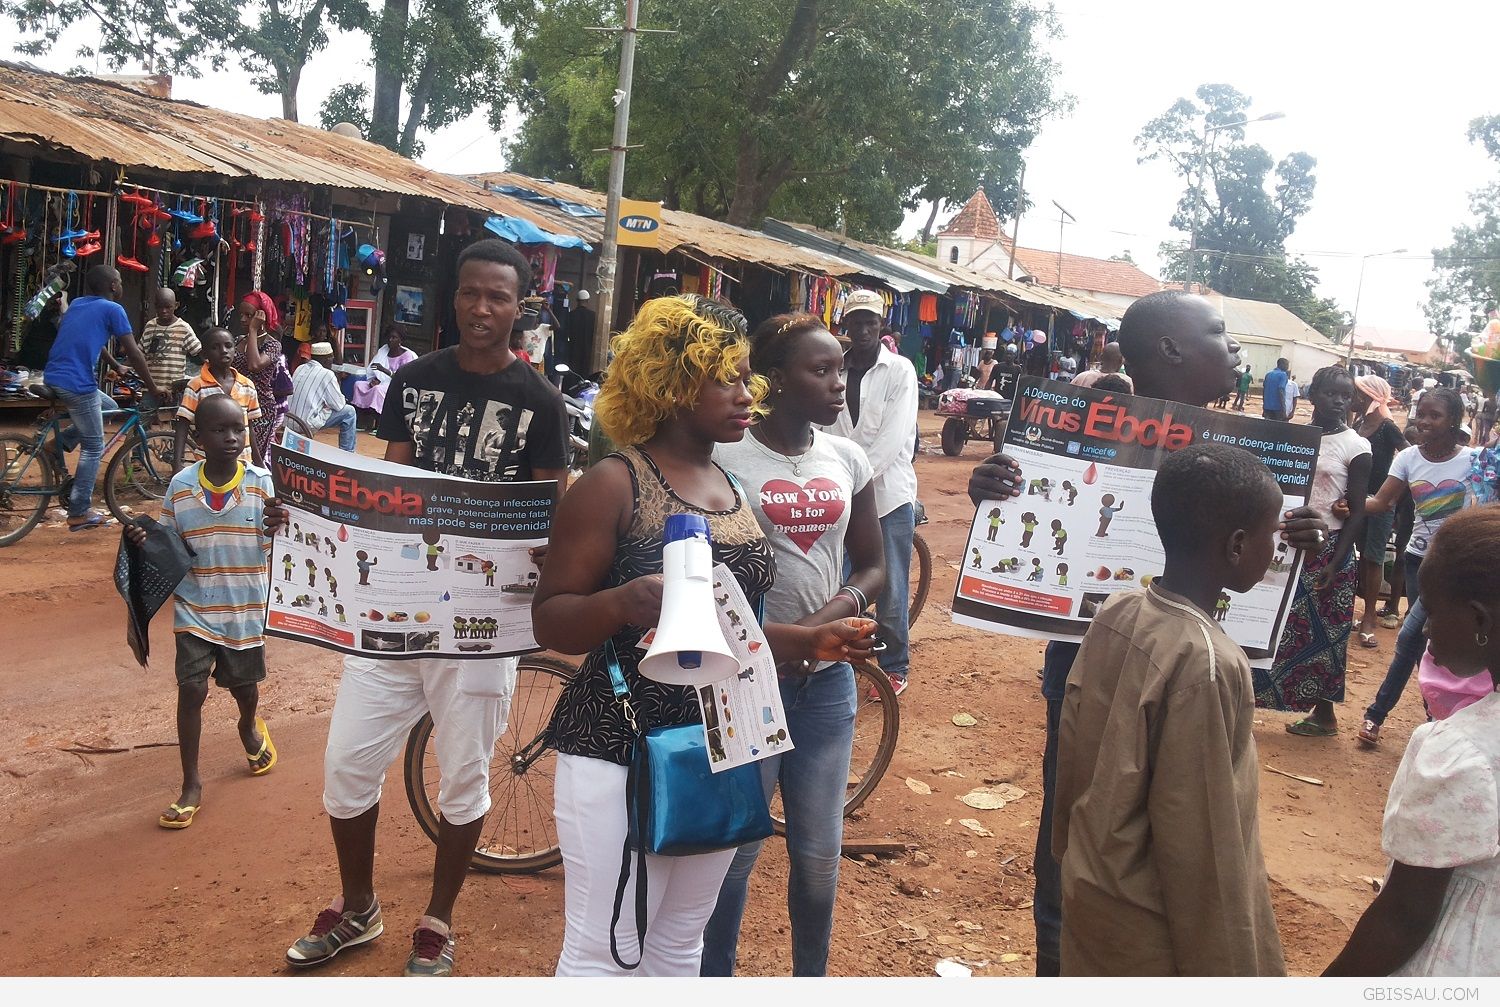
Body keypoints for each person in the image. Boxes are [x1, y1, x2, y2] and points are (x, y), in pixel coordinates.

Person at [966, 290, 1328, 976]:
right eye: (1220, 334)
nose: (1234, 350)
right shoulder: (1081, 422)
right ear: (1170, 350)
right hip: (1091, 662)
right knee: (1079, 819)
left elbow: (1256, 557)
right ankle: (1063, 962)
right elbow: (1024, 521)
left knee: (1181, 816)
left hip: (1191, 670)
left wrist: (1302, 535)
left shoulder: (1259, 451)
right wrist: (996, 491)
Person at [534, 295, 876, 977]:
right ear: (671, 382)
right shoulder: (613, 483)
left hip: (722, 742)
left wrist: (812, 641)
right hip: (619, 746)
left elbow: (729, 627)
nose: (748, 393)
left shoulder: (728, 483)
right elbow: (550, 617)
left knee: (678, 946)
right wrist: (623, 600)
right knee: (605, 952)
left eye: (748, 376)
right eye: (728, 377)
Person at [284, 239, 569, 977]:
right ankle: (358, 906)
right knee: (346, 766)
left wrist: (544, 560)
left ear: (519, 305)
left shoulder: (541, 402)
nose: (483, 308)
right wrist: (308, 518)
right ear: (455, 298)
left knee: (465, 776)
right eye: (471, 293)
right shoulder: (414, 380)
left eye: (498, 297)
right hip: (397, 611)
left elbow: (550, 515)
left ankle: (439, 919)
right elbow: (390, 488)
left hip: (481, 626)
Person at [1054, 443, 1287, 975]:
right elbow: (1201, 839)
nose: (1275, 547)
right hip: (1154, 931)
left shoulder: (1117, 610)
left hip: (1096, 889)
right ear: (1235, 545)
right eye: (1271, 533)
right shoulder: (1208, 662)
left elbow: (1073, 746)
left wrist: (1071, 857)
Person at [701, 312, 886, 977]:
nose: (839, 382)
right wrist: (798, 638)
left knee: (817, 856)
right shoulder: (723, 457)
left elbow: (871, 563)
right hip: (747, 680)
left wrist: (827, 624)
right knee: (735, 852)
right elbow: (703, 575)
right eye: (822, 369)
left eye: (841, 367)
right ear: (774, 379)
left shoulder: (848, 457)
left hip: (827, 685)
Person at [1324, 507, 1500, 977]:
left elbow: (1403, 917)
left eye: (1432, 609)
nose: (1424, 627)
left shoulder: (1458, 753)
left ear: (1480, 620)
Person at [125, 394, 277, 830]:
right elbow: (170, 546)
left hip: (244, 608)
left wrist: (280, 524)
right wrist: (144, 538)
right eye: (219, 430)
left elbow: (277, 546)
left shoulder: (261, 485)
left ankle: (248, 727)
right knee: (191, 690)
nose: (231, 438)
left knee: (244, 688)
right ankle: (191, 783)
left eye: (238, 430)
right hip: (195, 607)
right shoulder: (181, 487)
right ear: (198, 437)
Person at [1254, 365, 1371, 737]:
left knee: (1323, 635)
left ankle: (1324, 716)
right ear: (1311, 395)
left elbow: (1356, 513)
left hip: (1328, 549)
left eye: (1346, 395)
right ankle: (1242, 700)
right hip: (1285, 541)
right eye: (1330, 394)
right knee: (1266, 622)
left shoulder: (1357, 447)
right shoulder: (1295, 437)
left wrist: (1337, 563)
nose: (1339, 401)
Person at [1353, 387, 1472, 748]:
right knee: (1422, 642)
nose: (1424, 421)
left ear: (1453, 420)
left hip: (1456, 567)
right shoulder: (1407, 460)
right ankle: (1435, 718)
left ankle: (1377, 714)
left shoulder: (1474, 460)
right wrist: (1352, 504)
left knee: (1410, 637)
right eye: (1421, 413)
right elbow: (1382, 501)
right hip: (1420, 562)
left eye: (1434, 415)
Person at [821, 289, 919, 697]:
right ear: (844, 324)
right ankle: (841, 656)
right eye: (855, 322)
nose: (862, 329)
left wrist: (851, 481)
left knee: (890, 586)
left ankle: (895, 665)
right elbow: (821, 430)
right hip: (840, 495)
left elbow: (894, 439)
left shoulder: (899, 370)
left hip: (887, 496)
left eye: (870, 322)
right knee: (838, 583)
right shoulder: (832, 369)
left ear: (881, 327)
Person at [44, 264, 164, 531]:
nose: (121, 285)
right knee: (94, 446)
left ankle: (59, 443)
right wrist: (153, 387)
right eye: (120, 281)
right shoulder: (114, 309)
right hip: (77, 383)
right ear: (113, 286)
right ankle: (78, 511)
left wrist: (116, 366)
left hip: (55, 375)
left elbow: (93, 342)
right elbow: (134, 352)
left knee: (108, 404)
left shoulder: (78, 303)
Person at [1351, 375, 1408, 649]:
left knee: (1373, 558)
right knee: (1360, 556)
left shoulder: (1387, 427)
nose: (1353, 398)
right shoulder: (1358, 423)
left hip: (1380, 502)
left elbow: (1409, 457)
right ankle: (1363, 612)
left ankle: (1370, 617)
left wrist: (1393, 495)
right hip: (1355, 501)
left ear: (1368, 397)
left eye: (1357, 394)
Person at [174, 327, 262, 469]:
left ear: (235, 349)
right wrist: (177, 463)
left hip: (243, 462)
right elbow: (183, 424)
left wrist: (258, 462)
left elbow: (249, 427)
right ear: (204, 355)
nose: (223, 351)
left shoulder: (247, 385)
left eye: (228, 345)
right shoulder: (197, 386)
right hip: (207, 463)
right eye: (215, 347)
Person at [232, 291, 289, 464]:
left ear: (261, 317)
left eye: (248, 316)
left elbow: (254, 365)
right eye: (241, 314)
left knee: (251, 457)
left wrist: (253, 329)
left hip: (261, 408)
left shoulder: (273, 345)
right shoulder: (238, 341)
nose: (242, 320)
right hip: (236, 404)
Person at [139, 287, 200, 417]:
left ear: (176, 306)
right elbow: (140, 352)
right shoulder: (150, 326)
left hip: (174, 390)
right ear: (155, 306)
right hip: (152, 387)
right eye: (160, 307)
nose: (164, 311)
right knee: (143, 421)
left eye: (168, 307)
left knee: (176, 423)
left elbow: (197, 351)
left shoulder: (183, 328)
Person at [287, 341, 358, 452]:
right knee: (349, 412)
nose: (332, 360)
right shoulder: (327, 374)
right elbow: (339, 405)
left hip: (288, 420)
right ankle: (347, 453)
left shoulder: (300, 368)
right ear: (326, 359)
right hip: (305, 424)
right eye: (331, 357)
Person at [350, 325, 417, 428]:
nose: (390, 340)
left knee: (378, 390)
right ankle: (362, 421)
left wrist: (384, 371)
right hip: (380, 383)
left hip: (395, 386)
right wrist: (374, 380)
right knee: (359, 385)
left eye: (394, 338)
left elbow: (403, 378)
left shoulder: (407, 356)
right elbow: (373, 370)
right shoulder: (384, 350)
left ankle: (380, 424)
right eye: (389, 337)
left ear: (400, 340)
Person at [1067, 342, 1133, 392]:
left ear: (1100, 357)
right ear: (1121, 360)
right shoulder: (1126, 381)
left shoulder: (1082, 377)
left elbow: (1067, 396)